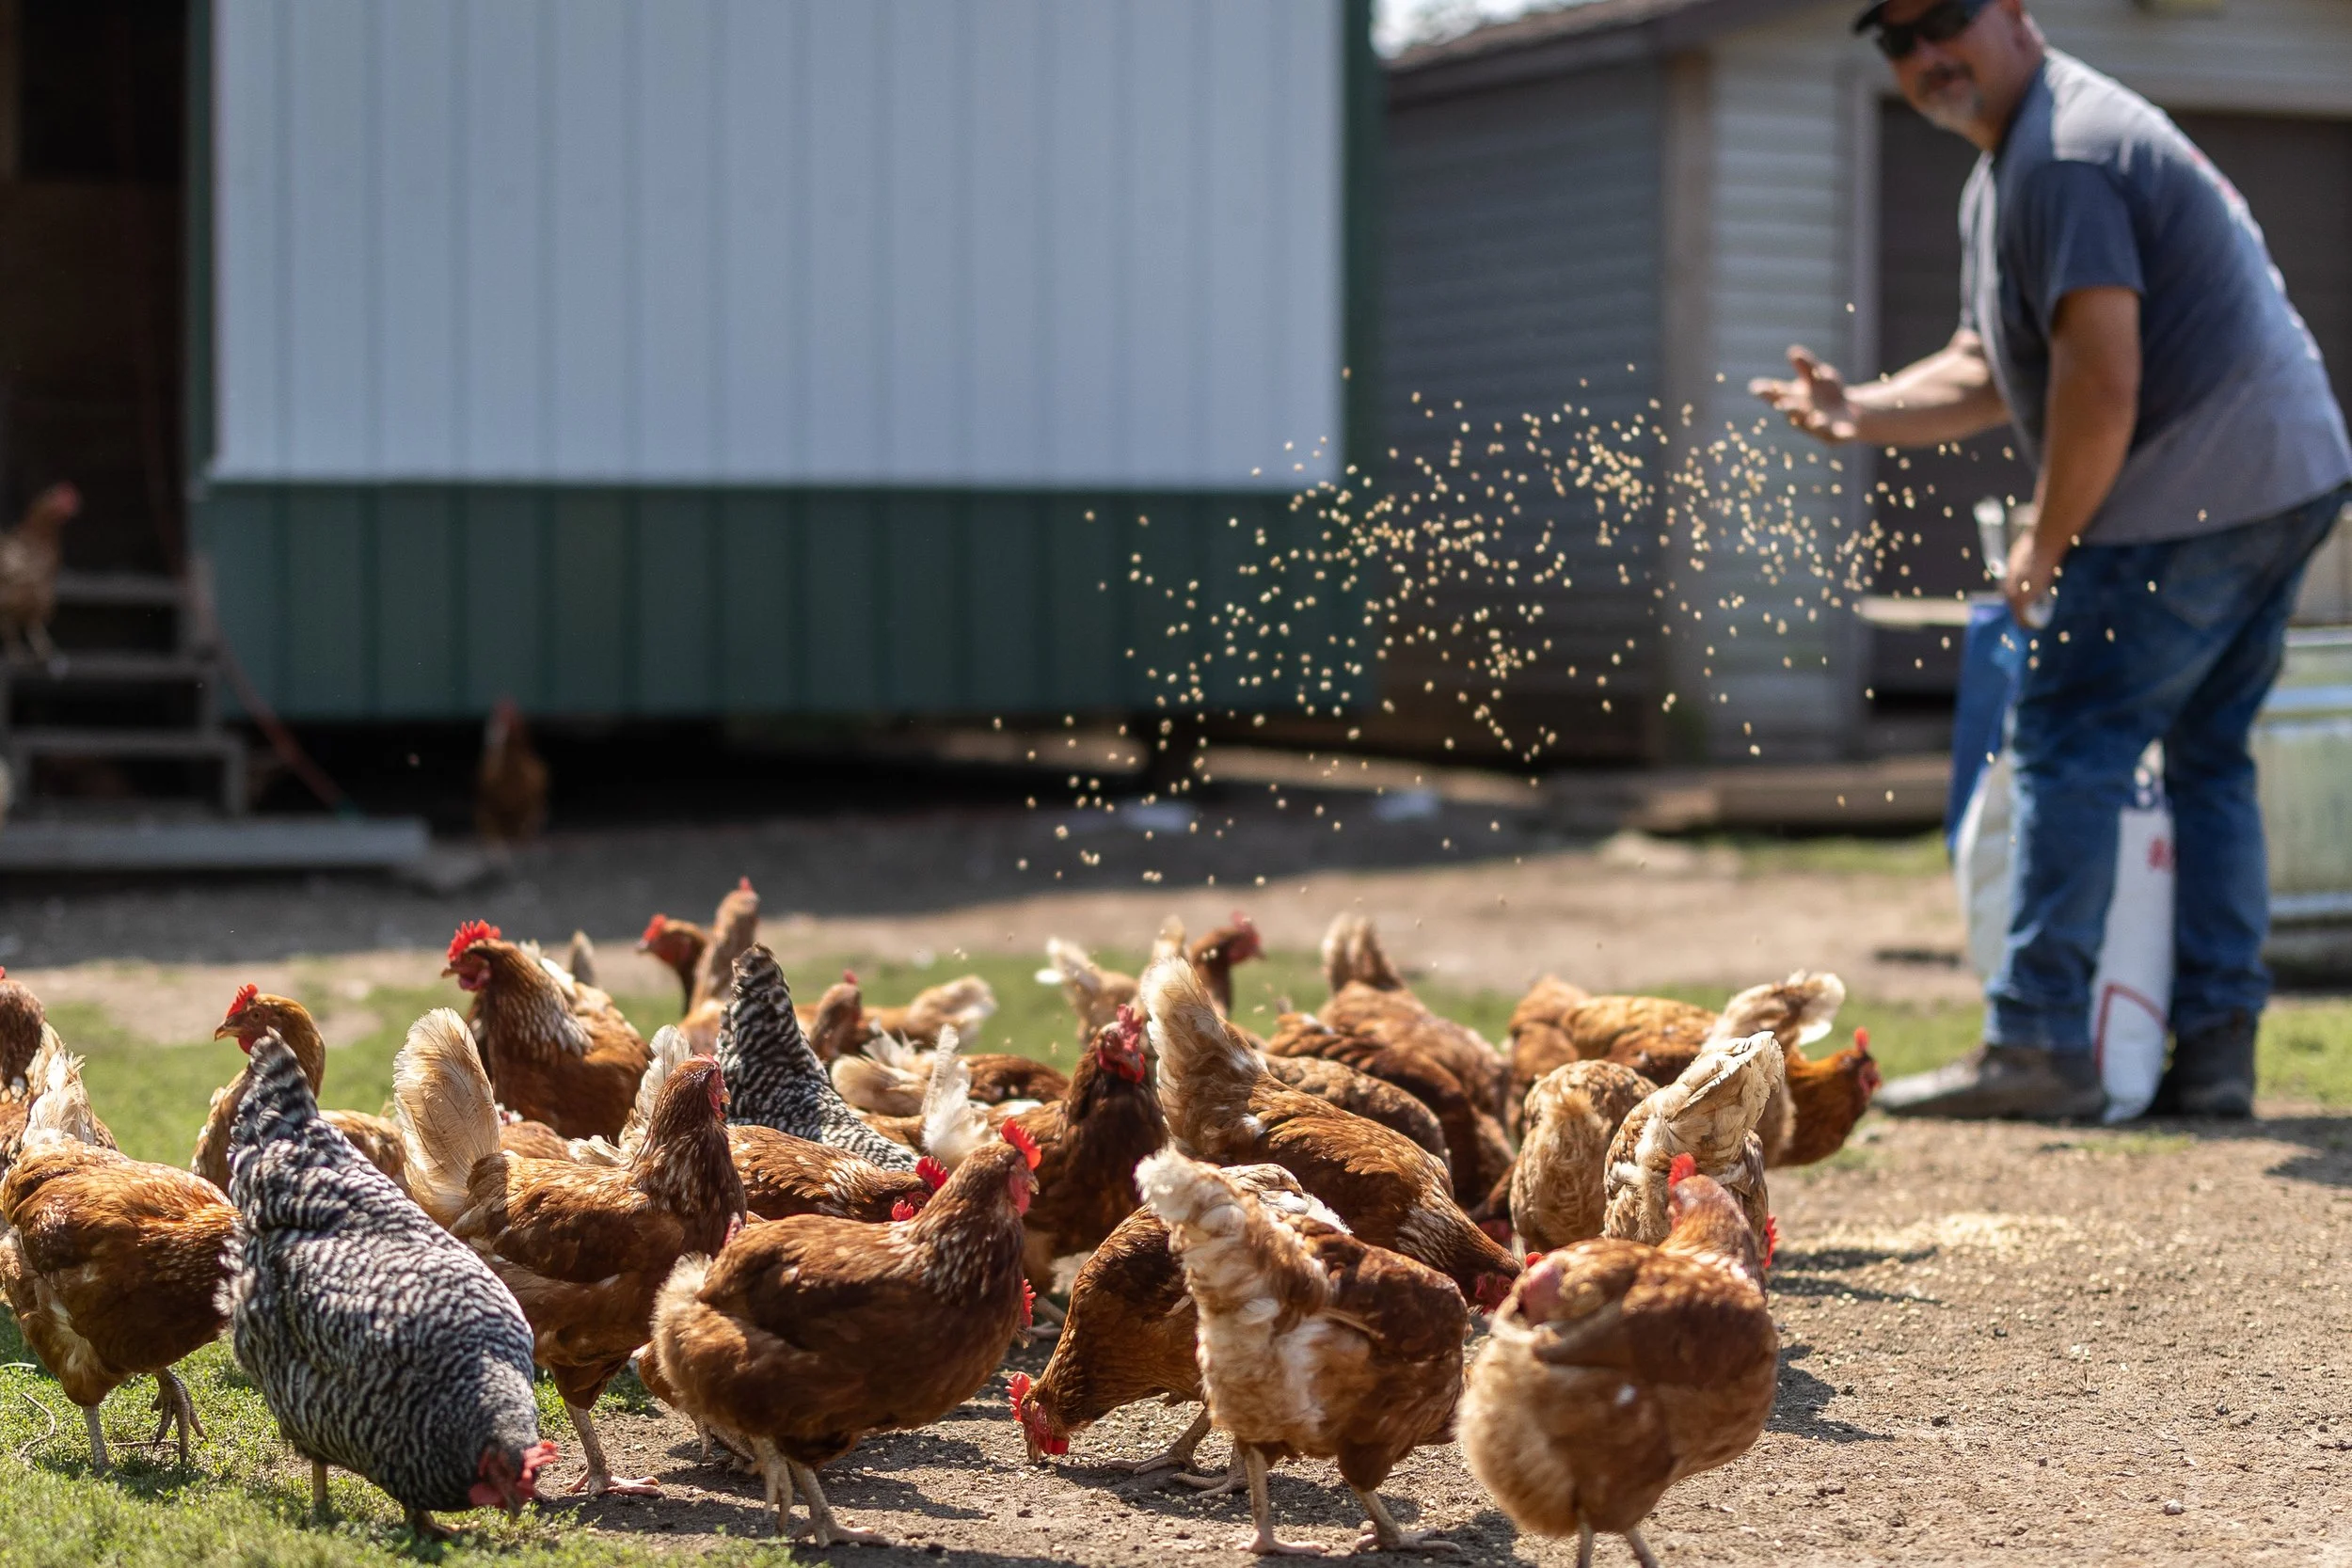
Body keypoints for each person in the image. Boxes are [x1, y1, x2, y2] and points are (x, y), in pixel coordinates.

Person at [1752, 0, 2351, 1119]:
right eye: (1895, 40)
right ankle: (2217, 1053)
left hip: (2203, 482)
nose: (1925, 54)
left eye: (1943, 20)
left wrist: (2042, 540)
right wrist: (1857, 411)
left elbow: (2098, 381)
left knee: (2069, 736)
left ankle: (2036, 1042)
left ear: (2015, 15)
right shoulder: (2013, 169)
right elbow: (1991, 363)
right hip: (2288, 472)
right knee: (2208, 756)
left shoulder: (2065, 157)